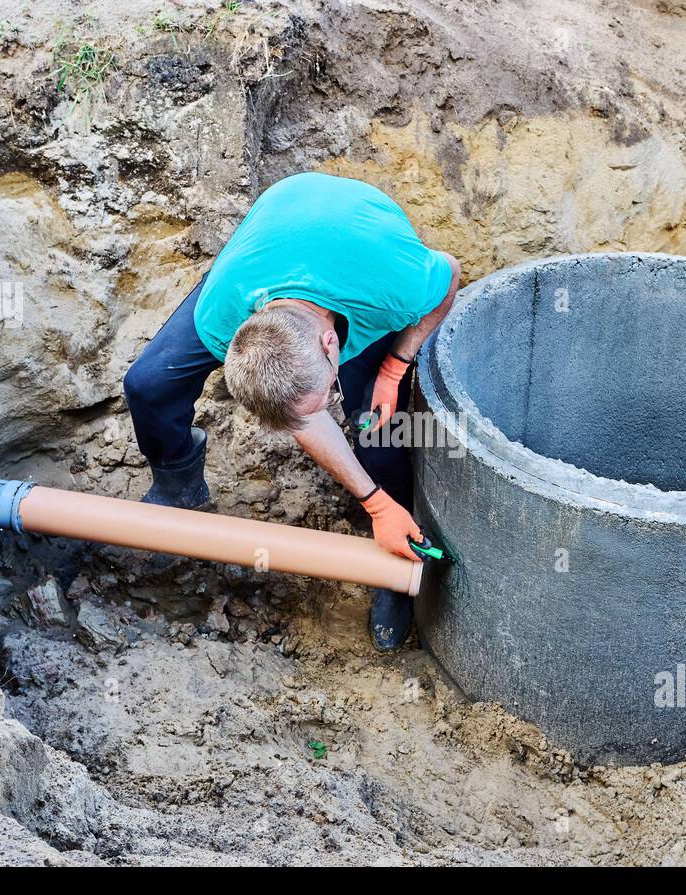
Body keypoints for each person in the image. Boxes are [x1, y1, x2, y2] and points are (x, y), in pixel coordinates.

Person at [123, 172, 461, 651]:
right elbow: (299, 416)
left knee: (378, 431)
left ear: (332, 345)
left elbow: (449, 273)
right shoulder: (225, 312)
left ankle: (398, 559)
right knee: (148, 385)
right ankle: (178, 484)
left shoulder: (396, 289)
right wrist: (370, 498)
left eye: (319, 398)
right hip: (272, 243)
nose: (315, 416)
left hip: (359, 251)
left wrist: (393, 369)